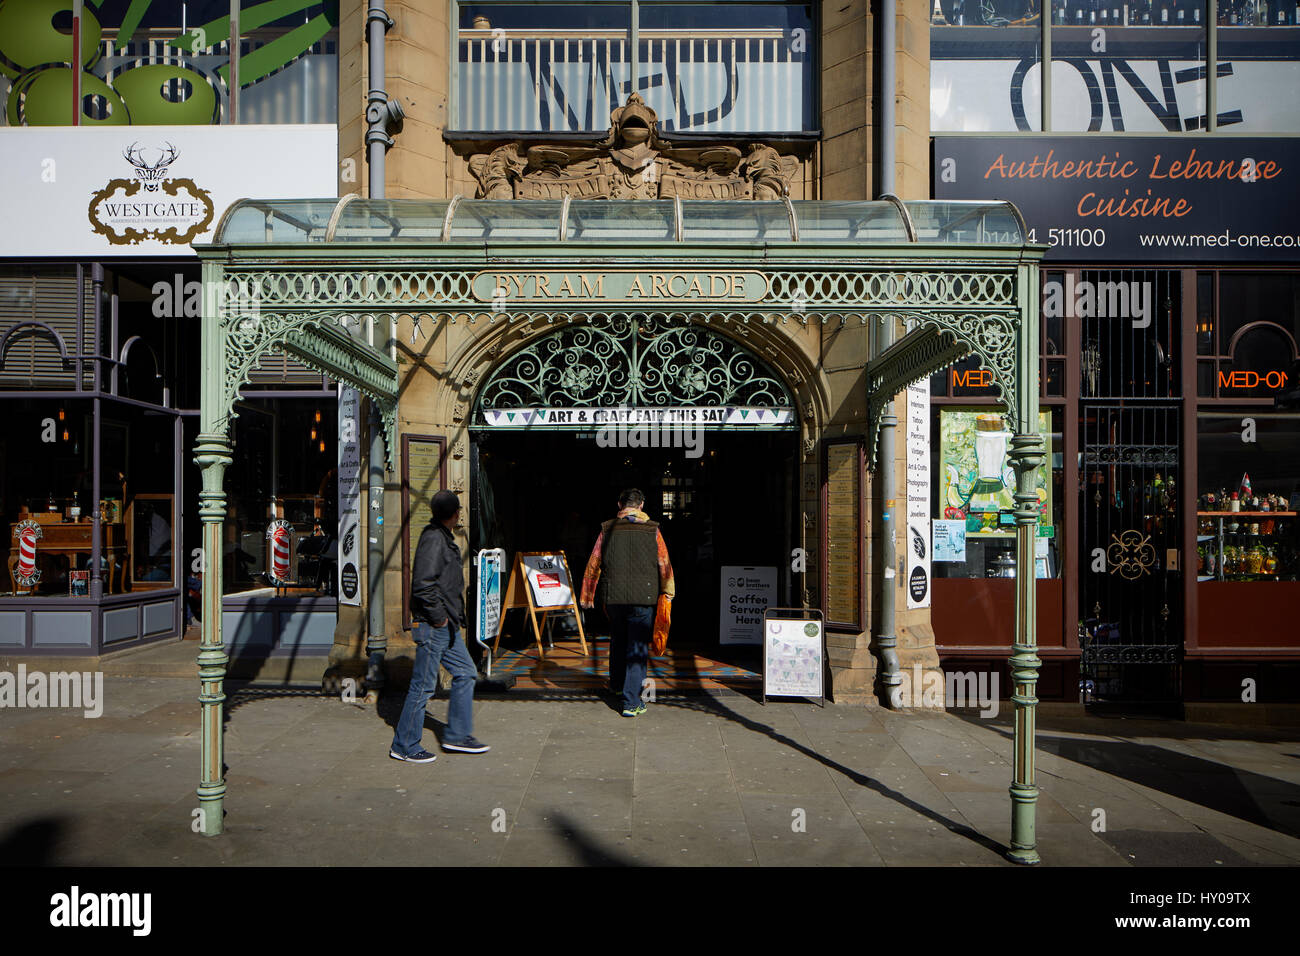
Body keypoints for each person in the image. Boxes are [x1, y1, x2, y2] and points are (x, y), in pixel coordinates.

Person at [390, 490, 489, 762]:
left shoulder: (441, 538)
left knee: (466, 672)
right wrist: (439, 617)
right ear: (454, 513)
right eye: (459, 510)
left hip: (446, 625)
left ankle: (457, 736)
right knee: (422, 687)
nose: (461, 515)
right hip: (435, 625)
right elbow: (423, 584)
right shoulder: (435, 539)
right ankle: (404, 745)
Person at [580, 488, 674, 717]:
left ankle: (617, 686)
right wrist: (668, 591)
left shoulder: (607, 529)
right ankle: (632, 702)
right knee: (637, 649)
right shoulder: (653, 530)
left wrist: (587, 596)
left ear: (619, 505)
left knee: (618, 640)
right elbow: (664, 563)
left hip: (614, 597)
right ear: (641, 505)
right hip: (644, 597)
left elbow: (594, 563)